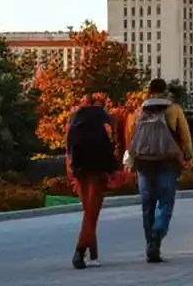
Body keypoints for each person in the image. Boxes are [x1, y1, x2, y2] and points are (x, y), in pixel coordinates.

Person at [125, 78, 193, 264]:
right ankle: (158, 233)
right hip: (167, 163)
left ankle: (150, 246)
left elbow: (131, 137)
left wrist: (130, 159)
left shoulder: (139, 111)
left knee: (147, 206)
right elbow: (185, 136)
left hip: (144, 164)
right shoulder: (174, 110)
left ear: (149, 91)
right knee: (165, 203)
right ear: (165, 91)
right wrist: (187, 155)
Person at [66, 95, 118, 269]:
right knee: (91, 214)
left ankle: (93, 255)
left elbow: (68, 147)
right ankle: (79, 252)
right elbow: (113, 146)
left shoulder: (75, 118)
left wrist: (72, 170)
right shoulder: (106, 119)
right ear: (103, 104)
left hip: (80, 169)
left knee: (89, 212)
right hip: (98, 170)